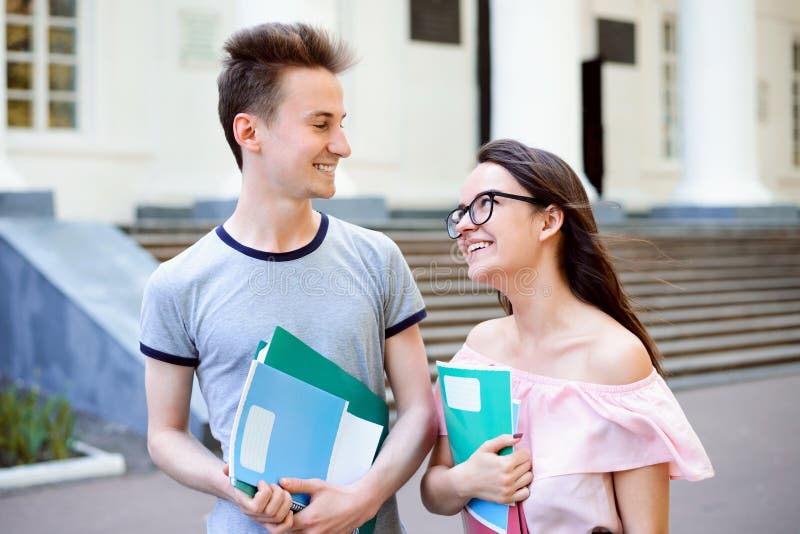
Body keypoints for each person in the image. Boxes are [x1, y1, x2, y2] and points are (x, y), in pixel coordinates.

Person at [141, 22, 436, 534]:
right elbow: (164, 434)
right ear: (249, 132)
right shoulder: (178, 283)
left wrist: (363, 499)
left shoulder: (377, 258)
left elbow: (418, 412)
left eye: (342, 123)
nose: (342, 145)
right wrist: (230, 483)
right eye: (321, 125)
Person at [420, 139, 714, 533]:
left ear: (548, 221)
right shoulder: (480, 349)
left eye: (485, 204)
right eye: (460, 212)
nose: (464, 224)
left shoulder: (614, 358)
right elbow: (434, 490)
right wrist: (467, 480)